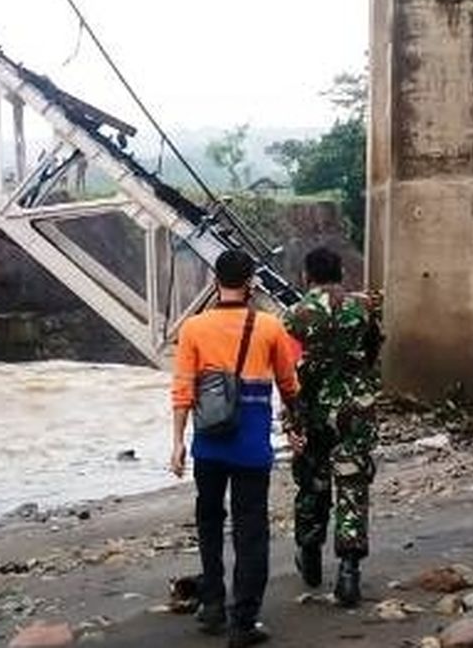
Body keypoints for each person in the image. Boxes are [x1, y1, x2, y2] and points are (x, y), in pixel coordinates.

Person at [170, 249, 302, 647]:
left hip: (208, 446)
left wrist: (177, 443)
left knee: (209, 522)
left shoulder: (192, 328)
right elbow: (289, 385)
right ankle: (243, 622)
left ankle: (212, 604)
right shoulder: (269, 327)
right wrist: (294, 428)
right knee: (251, 531)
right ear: (251, 284)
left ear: (215, 283)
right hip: (251, 449)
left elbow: (183, 390)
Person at [284, 247, 383, 607]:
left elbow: (288, 372)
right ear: (341, 273)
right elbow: (372, 352)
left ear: (306, 276)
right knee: (353, 483)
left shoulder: (293, 316)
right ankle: (348, 572)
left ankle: (310, 557)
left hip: (311, 411)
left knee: (312, 481)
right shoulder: (365, 308)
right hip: (356, 408)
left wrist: (290, 420)